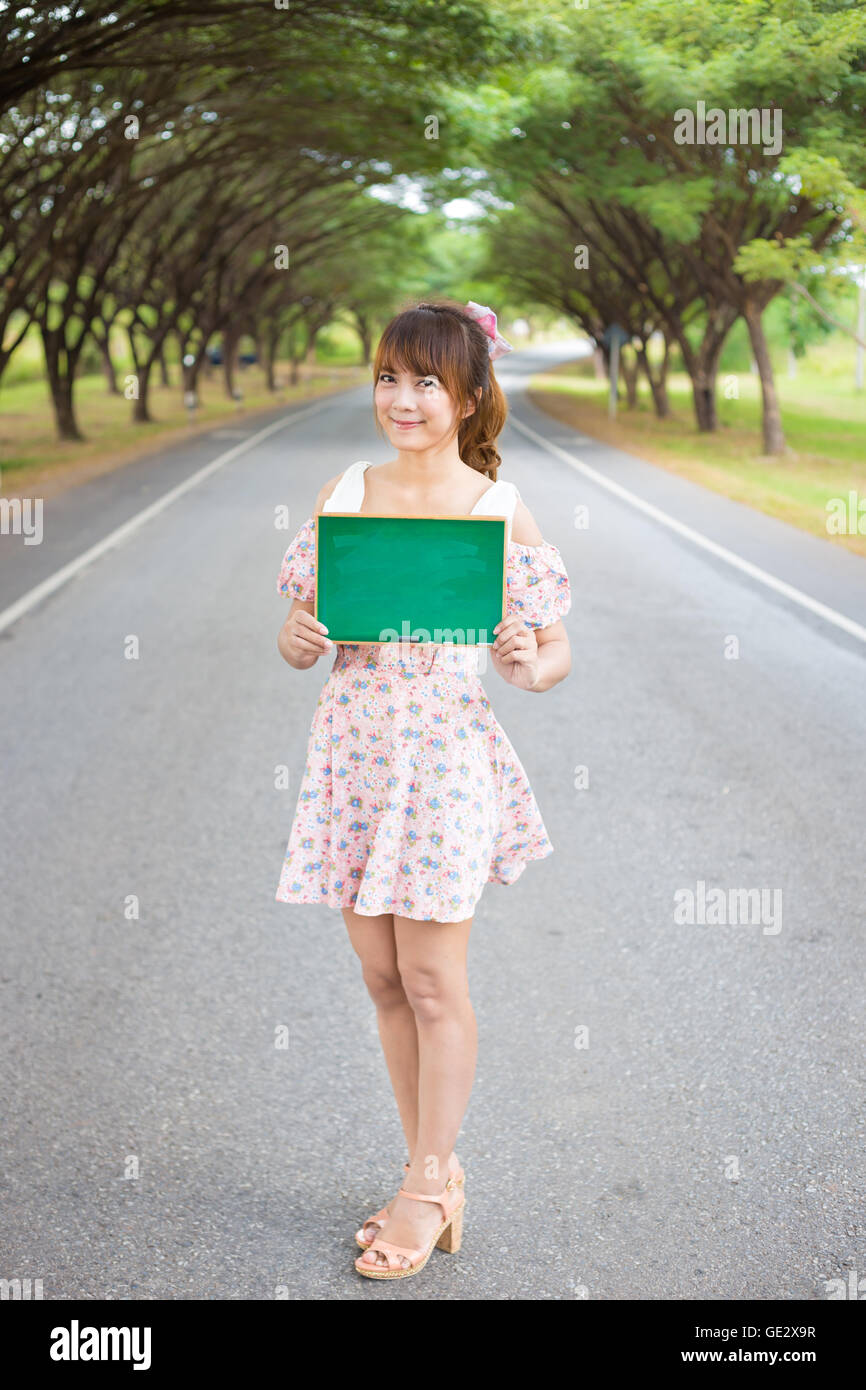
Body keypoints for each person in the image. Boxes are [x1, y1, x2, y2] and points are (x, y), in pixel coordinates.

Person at [274, 298, 571, 1281]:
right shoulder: (346, 492)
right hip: (353, 759)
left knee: (436, 979)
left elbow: (547, 658)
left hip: (443, 763)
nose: (402, 399)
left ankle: (427, 1180)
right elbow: (302, 630)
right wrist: (298, 638)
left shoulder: (495, 510)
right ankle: (425, 1171)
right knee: (383, 977)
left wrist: (527, 656)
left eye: (426, 382)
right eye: (388, 378)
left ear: (469, 395)